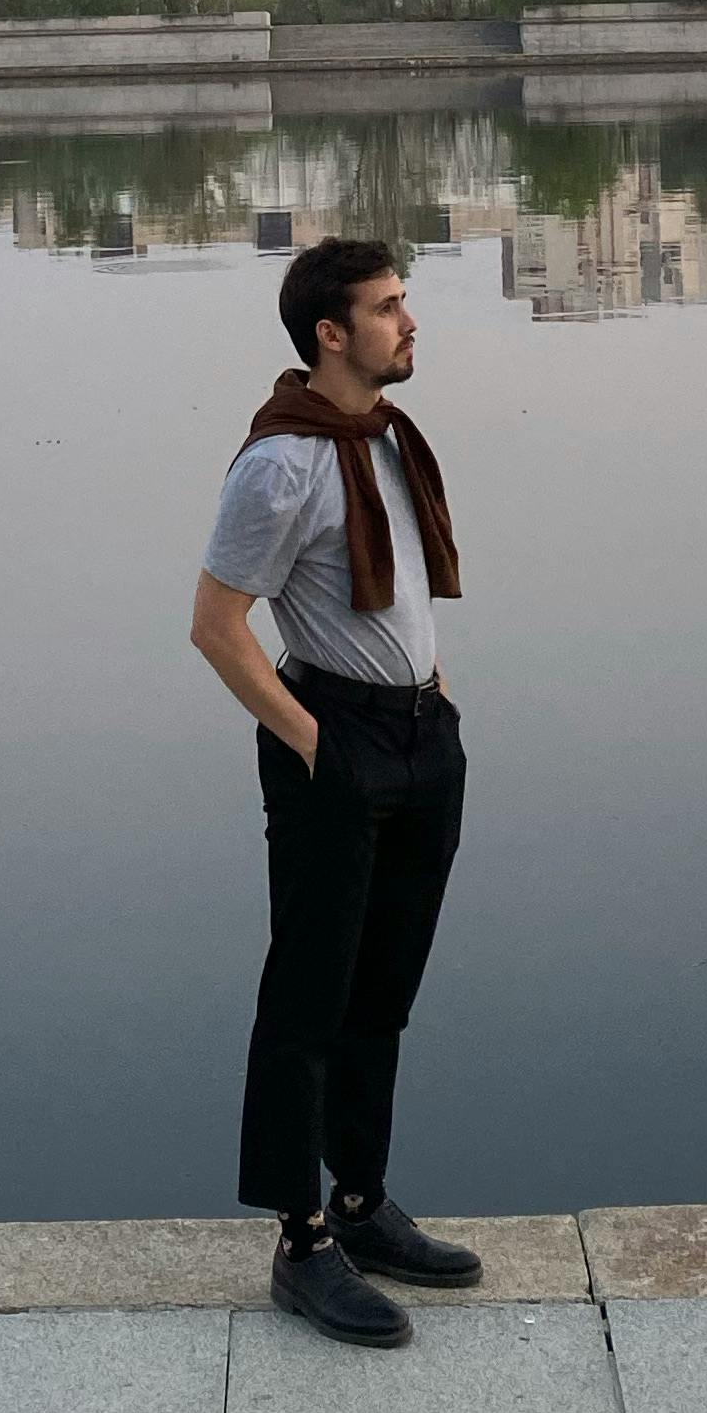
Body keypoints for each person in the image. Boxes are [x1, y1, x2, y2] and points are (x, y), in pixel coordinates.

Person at [190, 235, 481, 1345]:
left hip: (419, 738)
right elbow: (217, 627)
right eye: (389, 307)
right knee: (308, 1001)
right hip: (339, 745)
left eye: (406, 303)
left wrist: (437, 700)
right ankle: (302, 1240)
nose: (410, 323)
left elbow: (400, 598)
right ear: (330, 333)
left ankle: (361, 1201)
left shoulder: (390, 437)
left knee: (383, 991)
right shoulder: (279, 463)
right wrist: (317, 743)